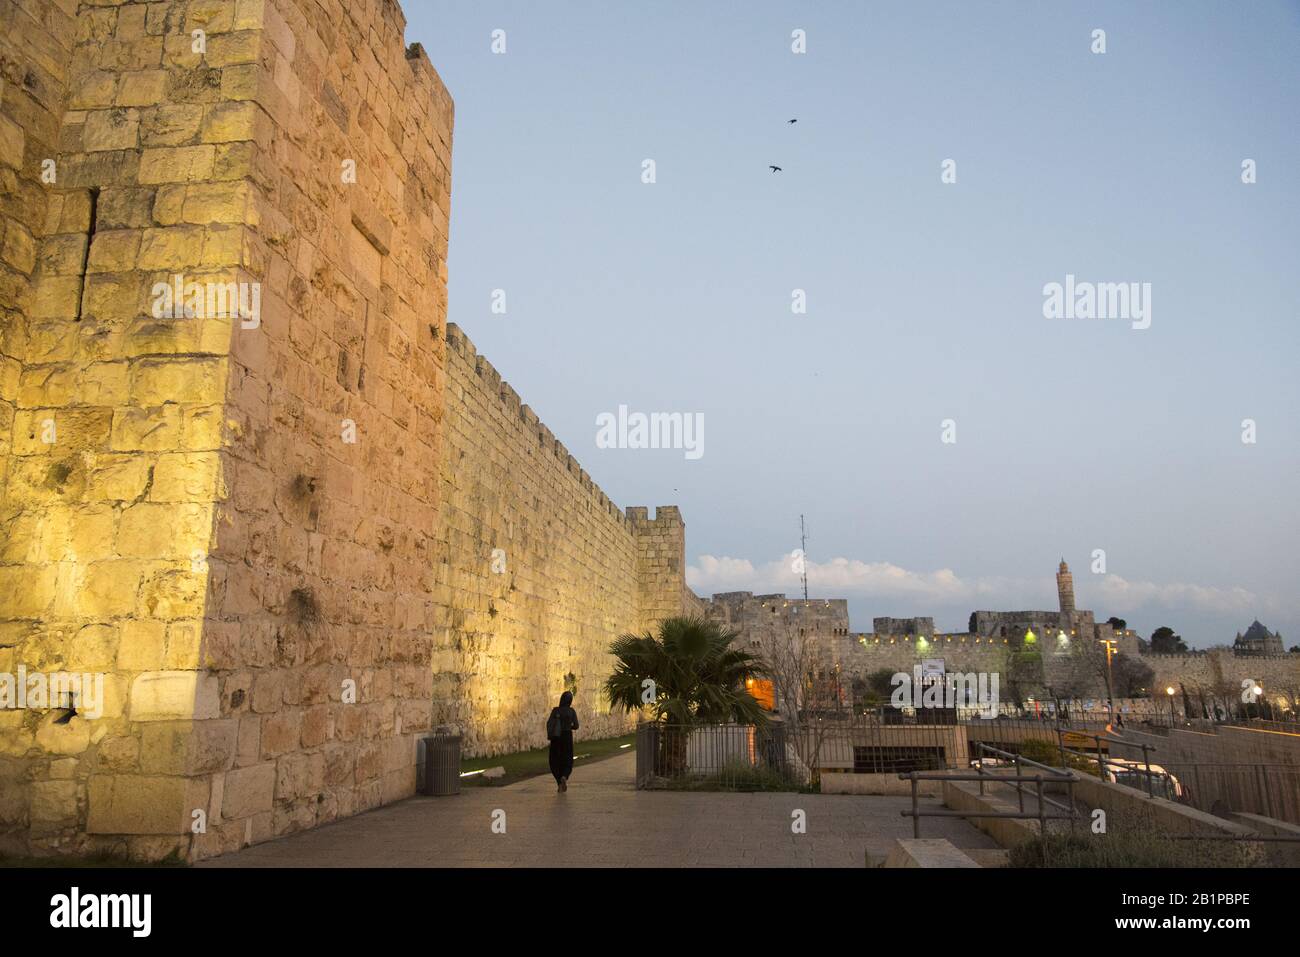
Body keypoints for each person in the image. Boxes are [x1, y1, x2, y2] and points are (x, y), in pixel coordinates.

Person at [548, 691, 579, 792]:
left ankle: (559, 782)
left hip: (556, 738)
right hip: (567, 736)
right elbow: (576, 725)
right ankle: (564, 776)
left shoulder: (556, 710)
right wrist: (569, 726)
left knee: (555, 759)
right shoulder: (571, 711)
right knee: (567, 759)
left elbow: (549, 723)